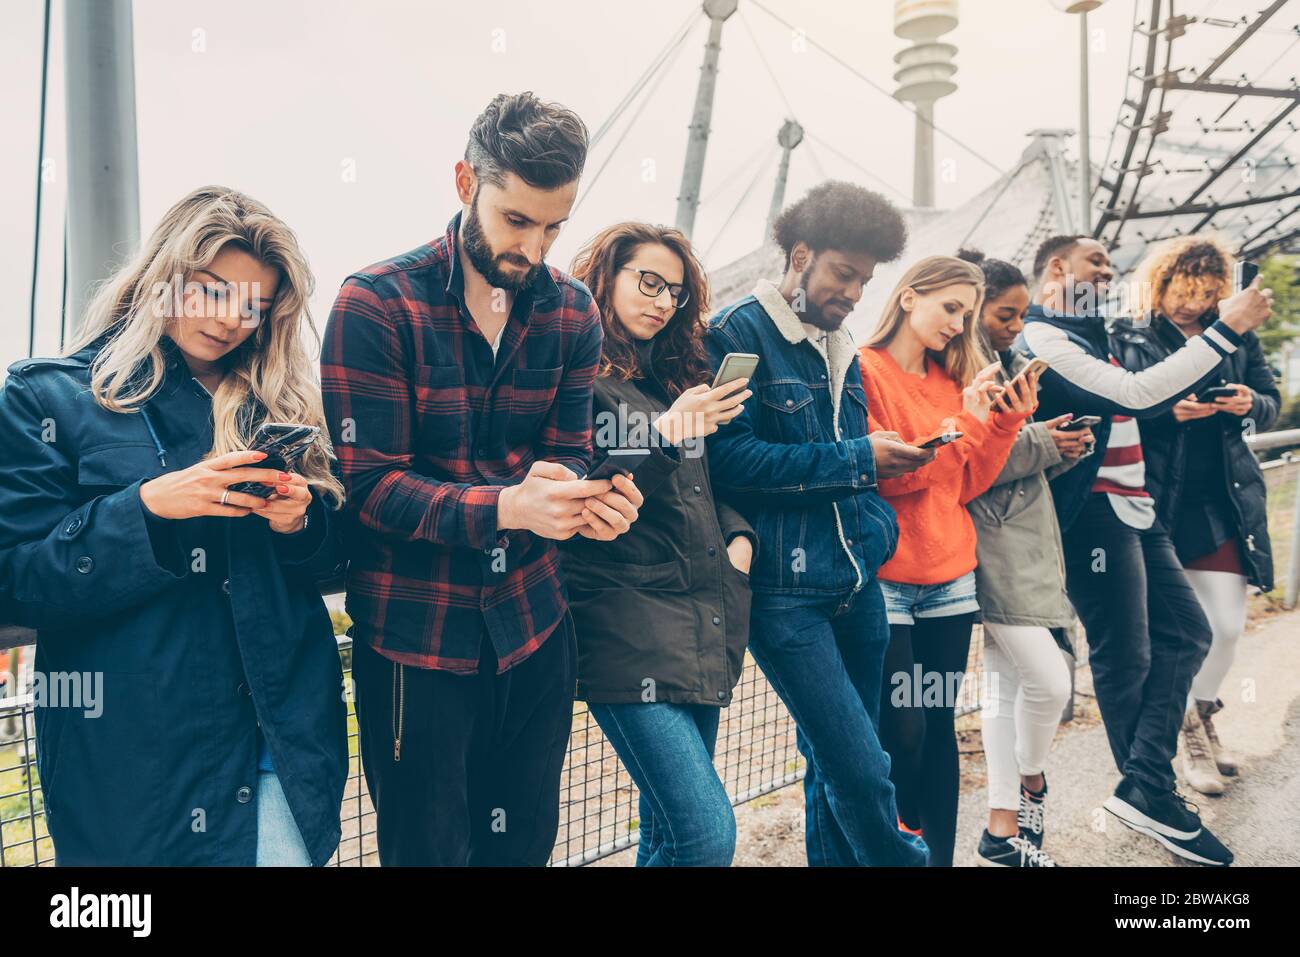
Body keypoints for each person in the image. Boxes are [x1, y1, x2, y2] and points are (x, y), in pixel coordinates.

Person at [321, 92, 643, 866]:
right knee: (428, 852)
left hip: (534, 627)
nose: (534, 247)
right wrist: (508, 506)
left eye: (554, 225)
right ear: (465, 181)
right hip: (415, 641)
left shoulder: (573, 311)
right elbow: (371, 486)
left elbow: (568, 449)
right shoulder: (375, 303)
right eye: (517, 220)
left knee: (523, 846)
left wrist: (584, 499)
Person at [0, 186, 349, 865]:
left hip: (281, 737)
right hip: (134, 762)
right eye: (213, 291)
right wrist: (147, 509)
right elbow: (18, 583)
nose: (230, 320)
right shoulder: (46, 397)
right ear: (166, 275)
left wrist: (301, 522)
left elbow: (340, 562)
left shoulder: (278, 402)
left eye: (253, 305)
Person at [1015, 233, 1272, 866]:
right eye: (1095, 261)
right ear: (1057, 268)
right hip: (1091, 512)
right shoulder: (1044, 338)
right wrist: (1227, 329)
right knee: (1124, 652)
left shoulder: (1094, 332)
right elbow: (1136, 396)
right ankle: (1152, 794)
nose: (1108, 270)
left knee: (1188, 632)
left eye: (1109, 262)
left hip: (1135, 504)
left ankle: (1144, 784)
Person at [704, 181, 935, 867]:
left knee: (831, 763)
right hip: (786, 596)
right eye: (843, 273)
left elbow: (852, 449)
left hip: (857, 586)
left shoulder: (843, 343)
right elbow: (732, 459)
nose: (855, 292)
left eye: (865, 280)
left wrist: (875, 526)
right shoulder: (735, 334)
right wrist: (861, 458)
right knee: (864, 770)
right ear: (799, 254)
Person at [562, 222, 754, 866]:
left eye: (675, 291)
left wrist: (739, 539)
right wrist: (668, 434)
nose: (662, 300)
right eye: (647, 280)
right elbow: (586, 491)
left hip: (700, 621)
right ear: (604, 278)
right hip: (624, 626)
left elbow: (708, 487)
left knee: (669, 836)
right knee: (706, 836)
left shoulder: (671, 383)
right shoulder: (575, 379)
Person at [858, 255, 1032, 866]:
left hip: (950, 576)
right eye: (951, 308)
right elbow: (891, 478)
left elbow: (963, 485)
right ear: (909, 297)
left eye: (967, 313)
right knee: (901, 734)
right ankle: (901, 853)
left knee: (937, 733)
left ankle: (940, 860)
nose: (961, 324)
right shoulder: (863, 370)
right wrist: (966, 421)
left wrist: (1002, 424)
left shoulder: (952, 379)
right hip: (888, 581)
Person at [1109, 236, 1279, 795]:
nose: (1192, 304)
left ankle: (1200, 711)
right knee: (1178, 632)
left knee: (1228, 627)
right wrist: (1163, 412)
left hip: (1220, 496)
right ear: (1160, 284)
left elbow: (1269, 397)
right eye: (1183, 292)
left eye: (1207, 294)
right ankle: (1188, 736)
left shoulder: (1240, 331)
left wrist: (1248, 404)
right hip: (1157, 499)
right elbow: (1114, 409)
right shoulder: (1127, 334)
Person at [957, 249, 1092, 867]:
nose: (1017, 326)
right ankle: (1033, 783)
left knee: (1008, 688)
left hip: (1025, 537)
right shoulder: (964, 368)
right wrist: (1041, 441)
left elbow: (1011, 455)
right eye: (1006, 315)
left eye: (1020, 315)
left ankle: (1000, 830)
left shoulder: (1006, 361)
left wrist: (1060, 447)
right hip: (994, 544)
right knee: (1049, 680)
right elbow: (966, 463)